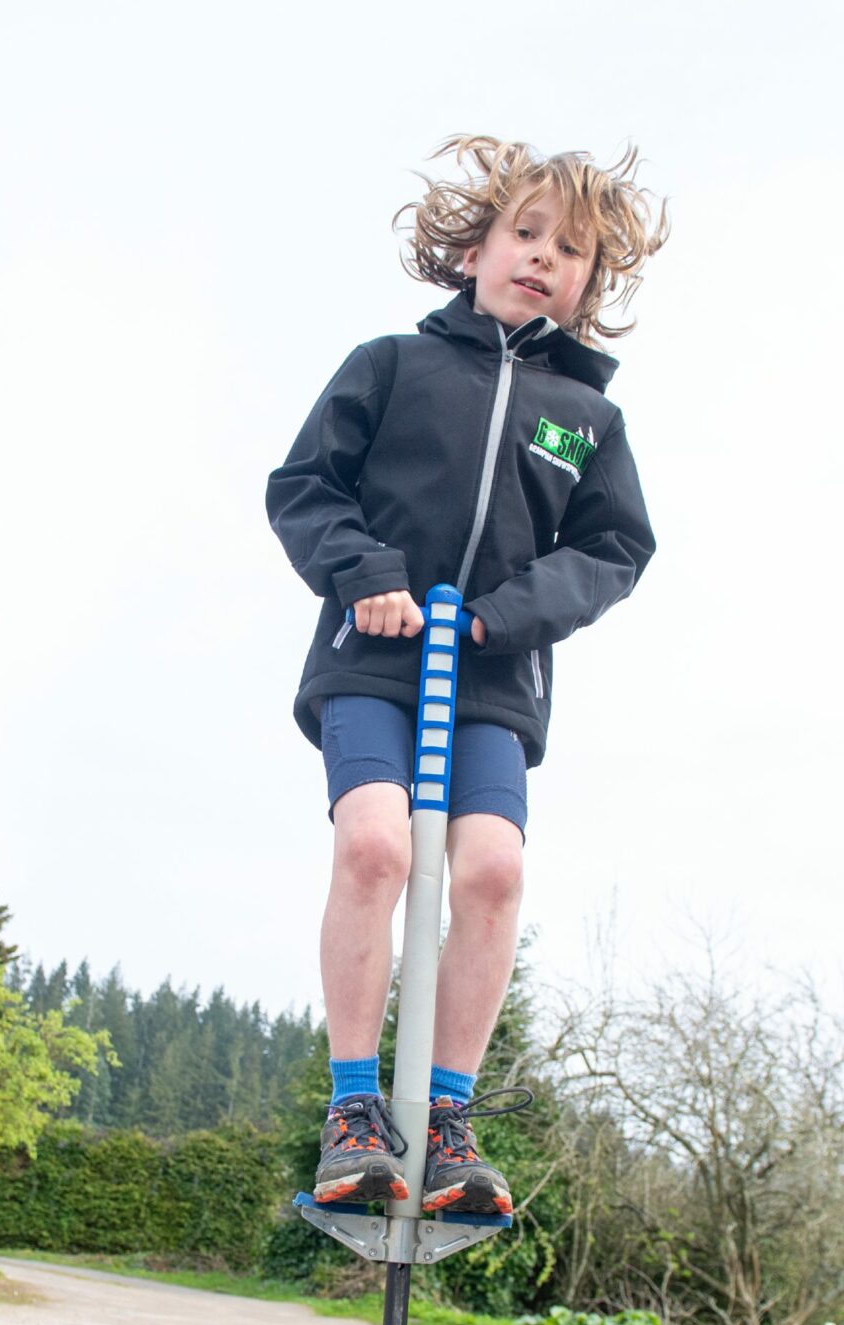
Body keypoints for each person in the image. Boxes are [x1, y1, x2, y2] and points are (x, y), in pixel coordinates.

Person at [266, 136, 668, 1215]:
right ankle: (355, 1108)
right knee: (375, 847)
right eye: (525, 234)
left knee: (490, 874)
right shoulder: (390, 366)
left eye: (571, 250)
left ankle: (445, 1119)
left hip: (491, 681)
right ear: (474, 248)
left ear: (592, 280)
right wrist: (369, 576)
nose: (543, 258)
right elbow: (306, 486)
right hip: (374, 658)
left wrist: (505, 618)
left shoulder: (587, 420)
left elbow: (613, 551)